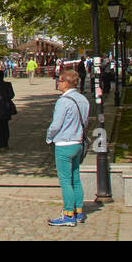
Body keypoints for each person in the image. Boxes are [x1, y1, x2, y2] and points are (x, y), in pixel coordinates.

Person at [46, 67, 91, 227]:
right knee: (75, 178)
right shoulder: (83, 100)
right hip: (78, 143)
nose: (58, 83)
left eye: (59, 80)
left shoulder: (63, 102)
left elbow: (56, 125)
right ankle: (79, 211)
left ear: (66, 83)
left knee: (65, 180)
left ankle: (68, 214)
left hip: (64, 143)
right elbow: (85, 121)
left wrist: (49, 137)